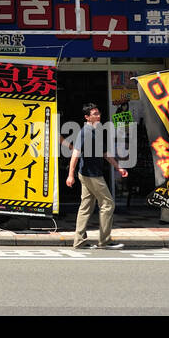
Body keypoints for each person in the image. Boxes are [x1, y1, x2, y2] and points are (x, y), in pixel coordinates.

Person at [67, 103, 128, 249]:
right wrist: (70, 175)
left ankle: (79, 241)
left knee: (86, 207)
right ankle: (104, 241)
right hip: (92, 175)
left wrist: (118, 167)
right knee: (108, 204)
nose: (98, 115)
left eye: (98, 113)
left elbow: (105, 153)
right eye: (94, 114)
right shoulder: (85, 132)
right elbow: (75, 154)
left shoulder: (97, 132)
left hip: (89, 174)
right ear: (87, 117)